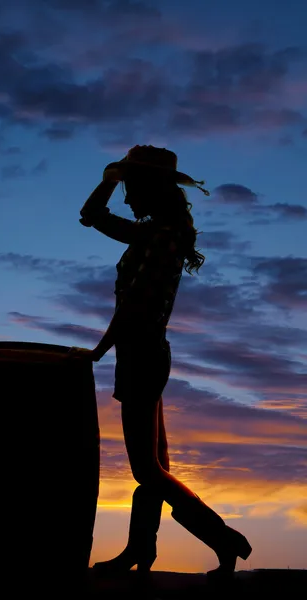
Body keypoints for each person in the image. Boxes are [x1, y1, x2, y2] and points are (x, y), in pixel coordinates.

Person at [68, 145, 252, 583]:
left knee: (147, 469)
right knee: (156, 470)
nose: (127, 200)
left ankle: (225, 539)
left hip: (143, 356)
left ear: (152, 189)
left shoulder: (163, 237)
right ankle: (141, 550)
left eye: (132, 188)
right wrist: (111, 178)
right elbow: (91, 215)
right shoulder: (152, 233)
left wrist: (97, 351)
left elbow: (135, 306)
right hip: (145, 355)